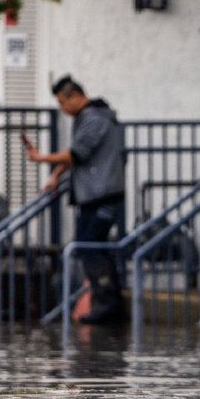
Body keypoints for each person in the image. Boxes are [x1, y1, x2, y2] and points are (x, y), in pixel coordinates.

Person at [26, 75, 126, 324]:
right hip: (94, 195)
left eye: (62, 102)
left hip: (102, 194)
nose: (62, 109)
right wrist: (56, 175)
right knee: (93, 247)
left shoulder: (94, 118)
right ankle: (109, 302)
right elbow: (77, 157)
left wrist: (41, 159)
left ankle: (108, 303)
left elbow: (77, 153)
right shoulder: (90, 117)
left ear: (74, 96)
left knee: (89, 247)